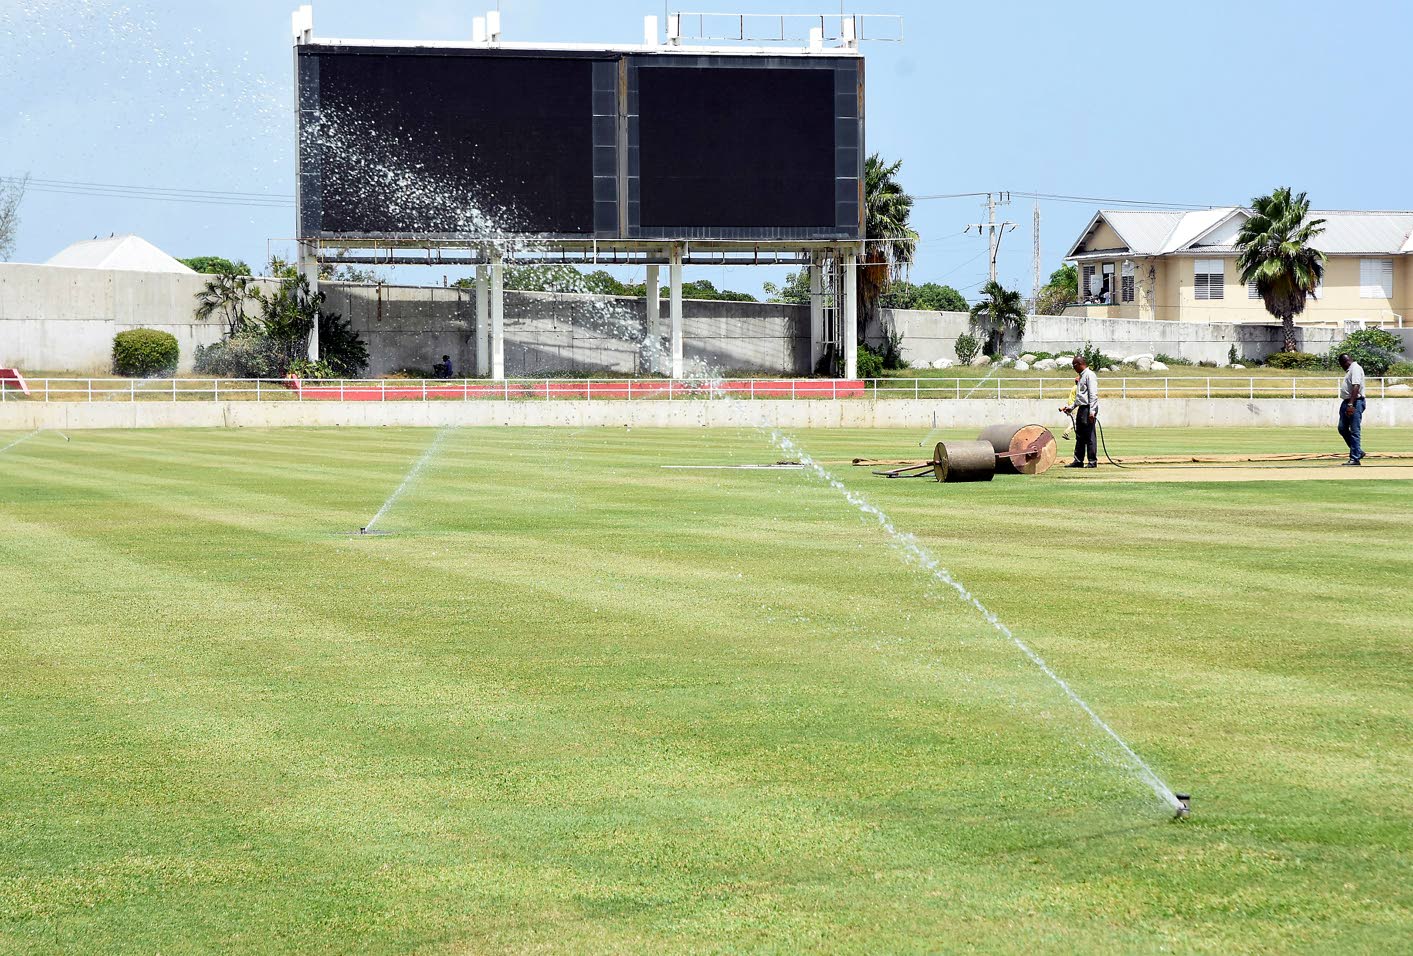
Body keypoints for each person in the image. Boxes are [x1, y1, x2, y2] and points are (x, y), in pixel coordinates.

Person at [1062, 356, 1099, 468]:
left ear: (1079, 364)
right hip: (1082, 408)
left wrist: (1092, 411)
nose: (1074, 368)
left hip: (1088, 408)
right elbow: (1080, 397)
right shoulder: (1081, 377)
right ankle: (1078, 460)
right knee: (1080, 436)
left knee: (1089, 436)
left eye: (1074, 365)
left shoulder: (1089, 375)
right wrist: (1071, 407)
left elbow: (1093, 394)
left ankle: (1092, 461)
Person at [1337, 352, 1366, 465]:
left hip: (1354, 402)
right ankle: (1358, 452)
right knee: (1342, 428)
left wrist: (1350, 404)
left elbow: (1356, 386)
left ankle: (1355, 458)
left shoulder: (1355, 369)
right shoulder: (1350, 370)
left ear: (1344, 362)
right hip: (1347, 401)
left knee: (1354, 430)